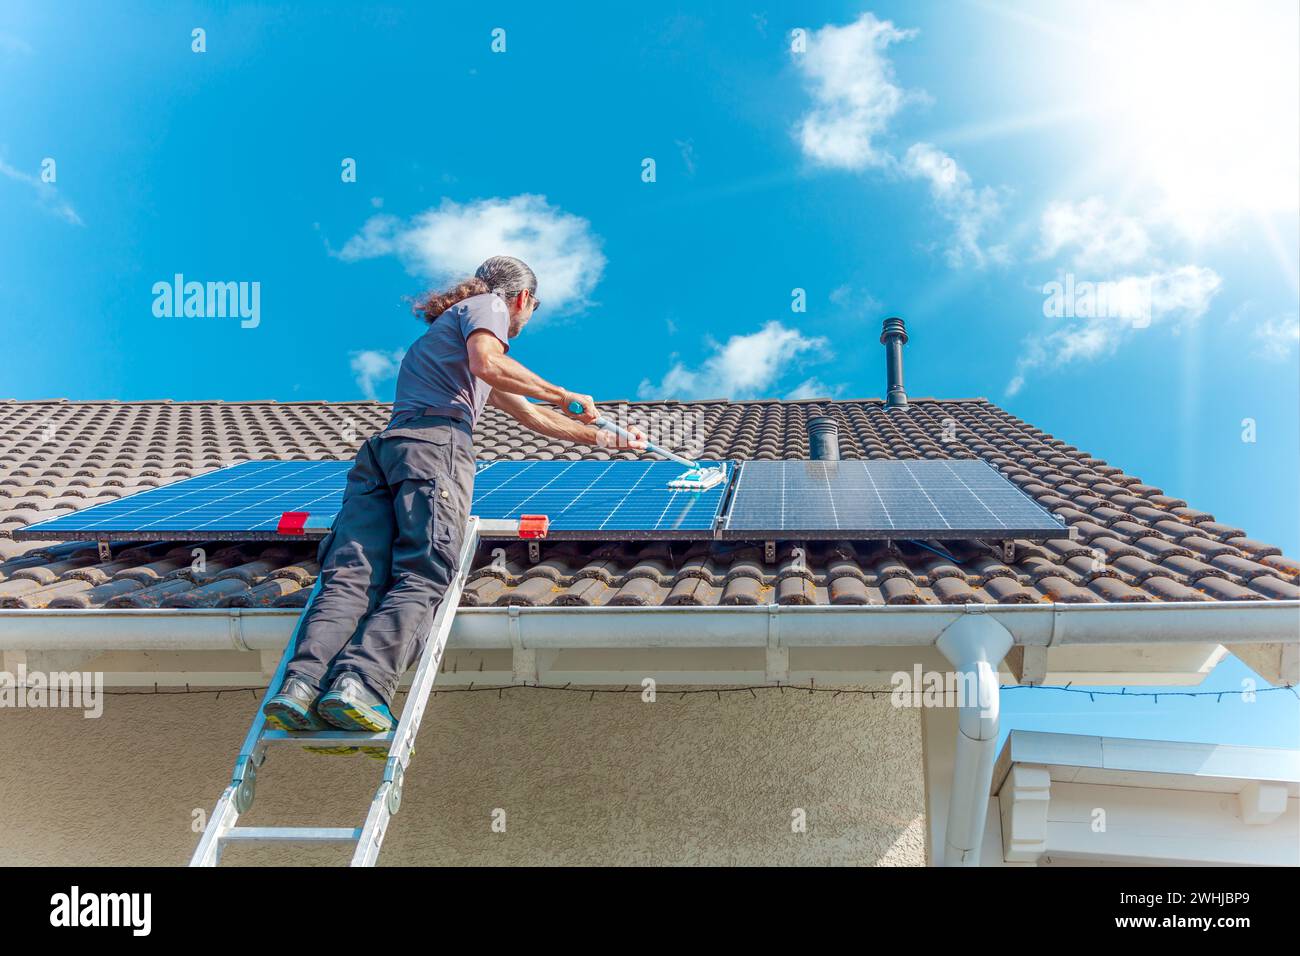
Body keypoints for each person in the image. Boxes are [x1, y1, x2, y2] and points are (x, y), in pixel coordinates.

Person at [262, 255, 646, 733]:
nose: (522, 321)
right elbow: (492, 362)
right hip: (433, 449)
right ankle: (359, 683)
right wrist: (565, 393)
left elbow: (529, 415)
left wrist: (609, 439)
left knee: (351, 577)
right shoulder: (489, 308)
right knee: (424, 572)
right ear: (523, 298)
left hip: (384, 454)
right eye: (529, 311)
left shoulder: (444, 335)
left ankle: (300, 686)